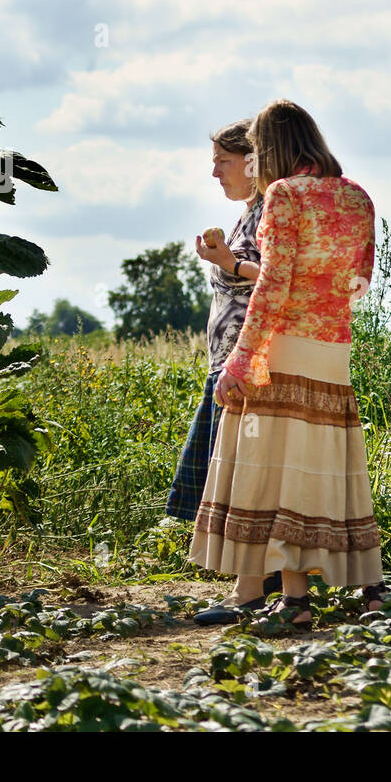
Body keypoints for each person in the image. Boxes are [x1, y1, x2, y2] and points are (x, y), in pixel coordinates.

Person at [189, 99, 387, 628]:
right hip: (333, 348)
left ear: (271, 148)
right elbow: (359, 282)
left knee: (270, 472)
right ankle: (364, 587)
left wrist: (239, 359)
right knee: (323, 467)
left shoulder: (285, 195)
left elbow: (273, 284)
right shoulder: (356, 196)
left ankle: (291, 600)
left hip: (283, 346)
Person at [166, 119, 284, 623]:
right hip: (231, 360)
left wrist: (229, 263)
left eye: (224, 160)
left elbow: (279, 277)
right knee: (237, 473)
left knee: (245, 475)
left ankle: (250, 590)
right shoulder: (249, 213)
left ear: (253, 162)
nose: (214, 171)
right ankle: (261, 581)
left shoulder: (269, 212)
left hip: (249, 361)